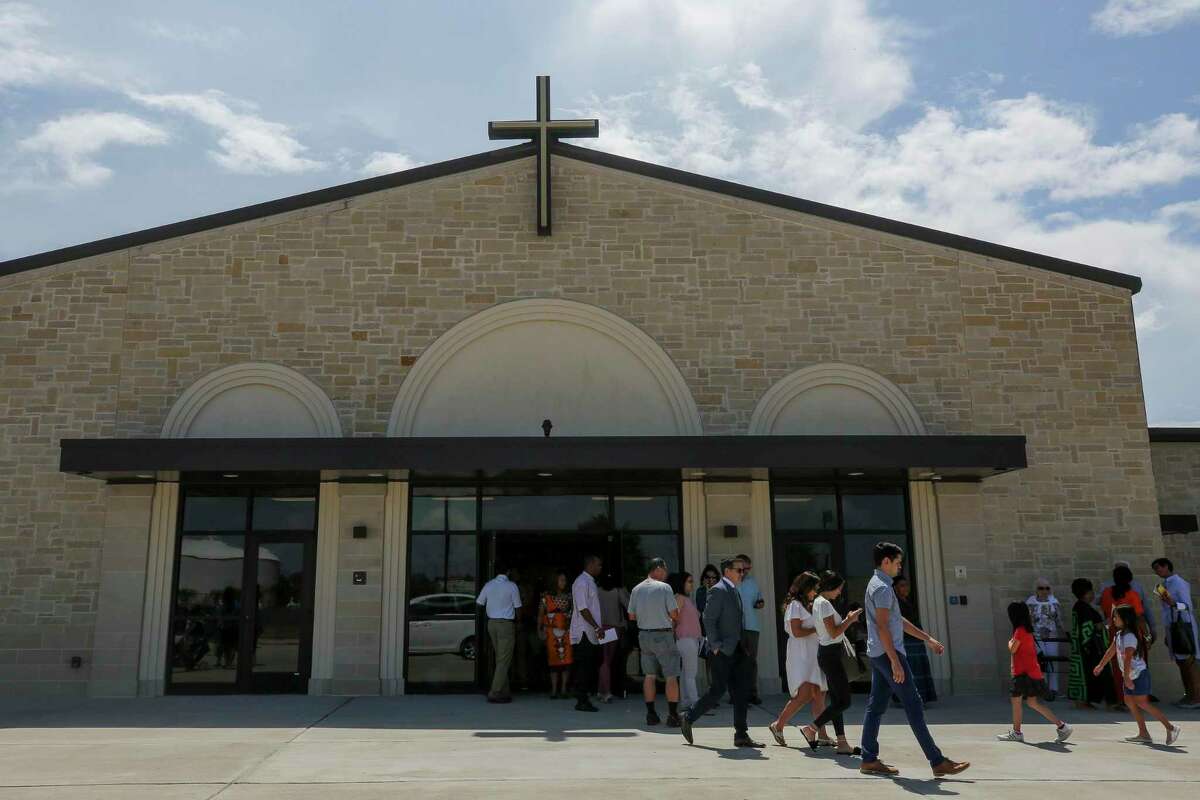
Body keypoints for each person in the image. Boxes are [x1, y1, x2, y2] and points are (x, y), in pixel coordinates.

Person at [859, 542, 968, 778]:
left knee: (876, 706)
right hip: (888, 654)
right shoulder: (883, 589)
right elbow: (882, 626)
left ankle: (868, 759)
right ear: (885, 562)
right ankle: (937, 761)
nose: (900, 567)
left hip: (879, 653)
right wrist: (895, 662)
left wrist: (927, 638)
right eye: (897, 562)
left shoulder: (879, 585)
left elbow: (897, 621)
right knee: (914, 704)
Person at [679, 557, 764, 748]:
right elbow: (708, 619)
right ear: (727, 571)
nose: (742, 573)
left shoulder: (734, 590)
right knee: (717, 691)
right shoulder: (718, 590)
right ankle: (688, 717)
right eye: (739, 570)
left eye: (743, 571)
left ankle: (741, 735)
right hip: (722, 650)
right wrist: (716, 645)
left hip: (738, 649)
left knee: (741, 691)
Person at [1094, 605, 1182, 745]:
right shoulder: (1119, 635)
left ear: (1125, 619)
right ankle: (1143, 733)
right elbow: (1111, 651)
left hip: (1138, 674)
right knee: (1129, 701)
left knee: (1142, 703)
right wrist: (1101, 665)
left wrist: (1127, 678)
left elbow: (1128, 657)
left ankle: (1171, 728)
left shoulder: (1129, 636)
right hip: (1129, 675)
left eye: (1116, 616)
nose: (1114, 619)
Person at [798, 571, 862, 754]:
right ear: (832, 587)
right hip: (830, 655)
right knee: (844, 701)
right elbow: (833, 632)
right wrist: (850, 619)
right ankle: (811, 729)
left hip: (828, 653)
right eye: (839, 589)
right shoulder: (824, 604)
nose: (839, 593)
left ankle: (842, 742)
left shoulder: (820, 602)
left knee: (836, 700)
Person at [769, 571, 833, 748]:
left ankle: (822, 734)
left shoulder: (810, 604)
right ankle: (778, 725)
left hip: (814, 652)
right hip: (801, 654)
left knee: (820, 693)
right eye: (814, 588)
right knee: (804, 694)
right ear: (806, 588)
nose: (816, 591)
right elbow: (796, 632)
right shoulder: (795, 605)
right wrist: (817, 629)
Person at [997, 601, 1073, 743]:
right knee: (1033, 703)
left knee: (1016, 701)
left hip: (1023, 674)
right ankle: (1062, 726)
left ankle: (1017, 732)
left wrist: (1009, 642)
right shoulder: (1026, 630)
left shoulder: (1020, 630)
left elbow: (1012, 648)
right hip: (1031, 673)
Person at [628, 557, 683, 727]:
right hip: (663, 635)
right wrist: (671, 617)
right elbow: (674, 614)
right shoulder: (664, 588)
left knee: (649, 676)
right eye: (664, 569)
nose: (665, 573)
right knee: (671, 675)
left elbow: (631, 616)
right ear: (658, 568)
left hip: (644, 635)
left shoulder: (636, 589)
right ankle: (673, 715)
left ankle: (651, 714)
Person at [1151, 557, 1200, 708]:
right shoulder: (1165, 584)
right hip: (1173, 626)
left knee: (1189, 662)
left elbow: (1187, 606)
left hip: (1184, 626)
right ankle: (1189, 695)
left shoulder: (1179, 583)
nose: (1157, 572)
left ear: (1166, 567)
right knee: (1181, 662)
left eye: (1158, 568)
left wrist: (1173, 603)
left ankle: (1196, 697)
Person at [1100, 564, 1151, 707]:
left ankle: (1121, 699)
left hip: (1114, 632)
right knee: (1137, 665)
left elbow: (1106, 614)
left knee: (1118, 667)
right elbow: (1140, 618)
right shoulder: (1132, 594)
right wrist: (1147, 636)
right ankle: (1137, 699)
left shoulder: (1106, 593)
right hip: (1133, 633)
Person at [476, 565, 522, 704]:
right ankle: (495, 691)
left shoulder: (488, 585)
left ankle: (504, 691)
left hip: (492, 624)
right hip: (506, 625)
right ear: (508, 571)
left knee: (501, 658)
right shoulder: (512, 586)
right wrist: (519, 623)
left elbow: (479, 603)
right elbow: (518, 607)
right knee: (504, 660)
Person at [1066, 578, 1114, 710]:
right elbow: (1091, 627)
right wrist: (1106, 623)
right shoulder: (1084, 608)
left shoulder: (1079, 606)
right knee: (1098, 674)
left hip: (1083, 647)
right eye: (1090, 592)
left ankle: (1085, 701)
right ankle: (1097, 702)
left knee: (1089, 674)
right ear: (1084, 593)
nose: (1093, 594)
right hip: (1090, 648)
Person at [569, 555, 606, 712]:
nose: (600, 567)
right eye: (598, 564)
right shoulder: (581, 583)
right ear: (590, 564)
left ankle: (584, 696)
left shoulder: (590, 582)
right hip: (584, 631)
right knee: (584, 666)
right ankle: (581, 699)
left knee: (593, 663)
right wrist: (597, 627)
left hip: (592, 632)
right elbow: (583, 609)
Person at [894, 576, 936, 703]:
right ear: (895, 588)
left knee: (919, 668)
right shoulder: (896, 603)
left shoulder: (908, 602)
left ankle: (921, 697)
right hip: (906, 641)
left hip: (916, 640)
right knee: (911, 670)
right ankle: (909, 698)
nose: (905, 588)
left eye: (906, 585)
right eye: (902, 585)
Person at [1026, 579, 1066, 701]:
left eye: (1047, 588)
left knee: (1053, 662)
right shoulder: (1031, 601)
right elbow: (1028, 618)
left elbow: (1059, 619)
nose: (1044, 591)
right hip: (1036, 636)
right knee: (1039, 662)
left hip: (1052, 635)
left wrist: (1064, 632)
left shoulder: (1054, 601)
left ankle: (1053, 689)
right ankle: (1041, 689)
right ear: (1036, 590)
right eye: (1041, 588)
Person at [735, 553, 766, 705]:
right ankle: (736, 694)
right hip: (735, 628)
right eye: (743, 568)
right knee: (736, 661)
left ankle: (752, 693)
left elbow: (760, 600)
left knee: (751, 662)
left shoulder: (753, 582)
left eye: (748, 568)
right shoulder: (730, 582)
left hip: (752, 627)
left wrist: (760, 603)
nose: (745, 571)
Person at [670, 572, 703, 713]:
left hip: (691, 640)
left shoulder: (685, 599)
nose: (691, 584)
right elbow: (672, 618)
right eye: (689, 581)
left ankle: (686, 702)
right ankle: (695, 704)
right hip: (685, 639)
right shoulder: (679, 598)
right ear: (681, 583)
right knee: (691, 673)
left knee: (685, 673)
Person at [538, 571, 573, 699]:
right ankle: (554, 690)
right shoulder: (545, 596)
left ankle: (563, 689)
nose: (564, 583)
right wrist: (539, 630)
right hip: (551, 632)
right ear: (555, 581)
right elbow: (541, 614)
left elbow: (572, 615)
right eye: (561, 580)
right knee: (553, 661)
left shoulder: (569, 596)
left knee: (566, 661)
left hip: (566, 632)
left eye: (565, 580)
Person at [597, 574, 630, 702]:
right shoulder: (617, 591)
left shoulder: (597, 591)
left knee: (603, 660)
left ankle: (602, 689)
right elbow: (628, 605)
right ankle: (606, 691)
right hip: (613, 628)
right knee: (608, 661)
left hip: (600, 627)